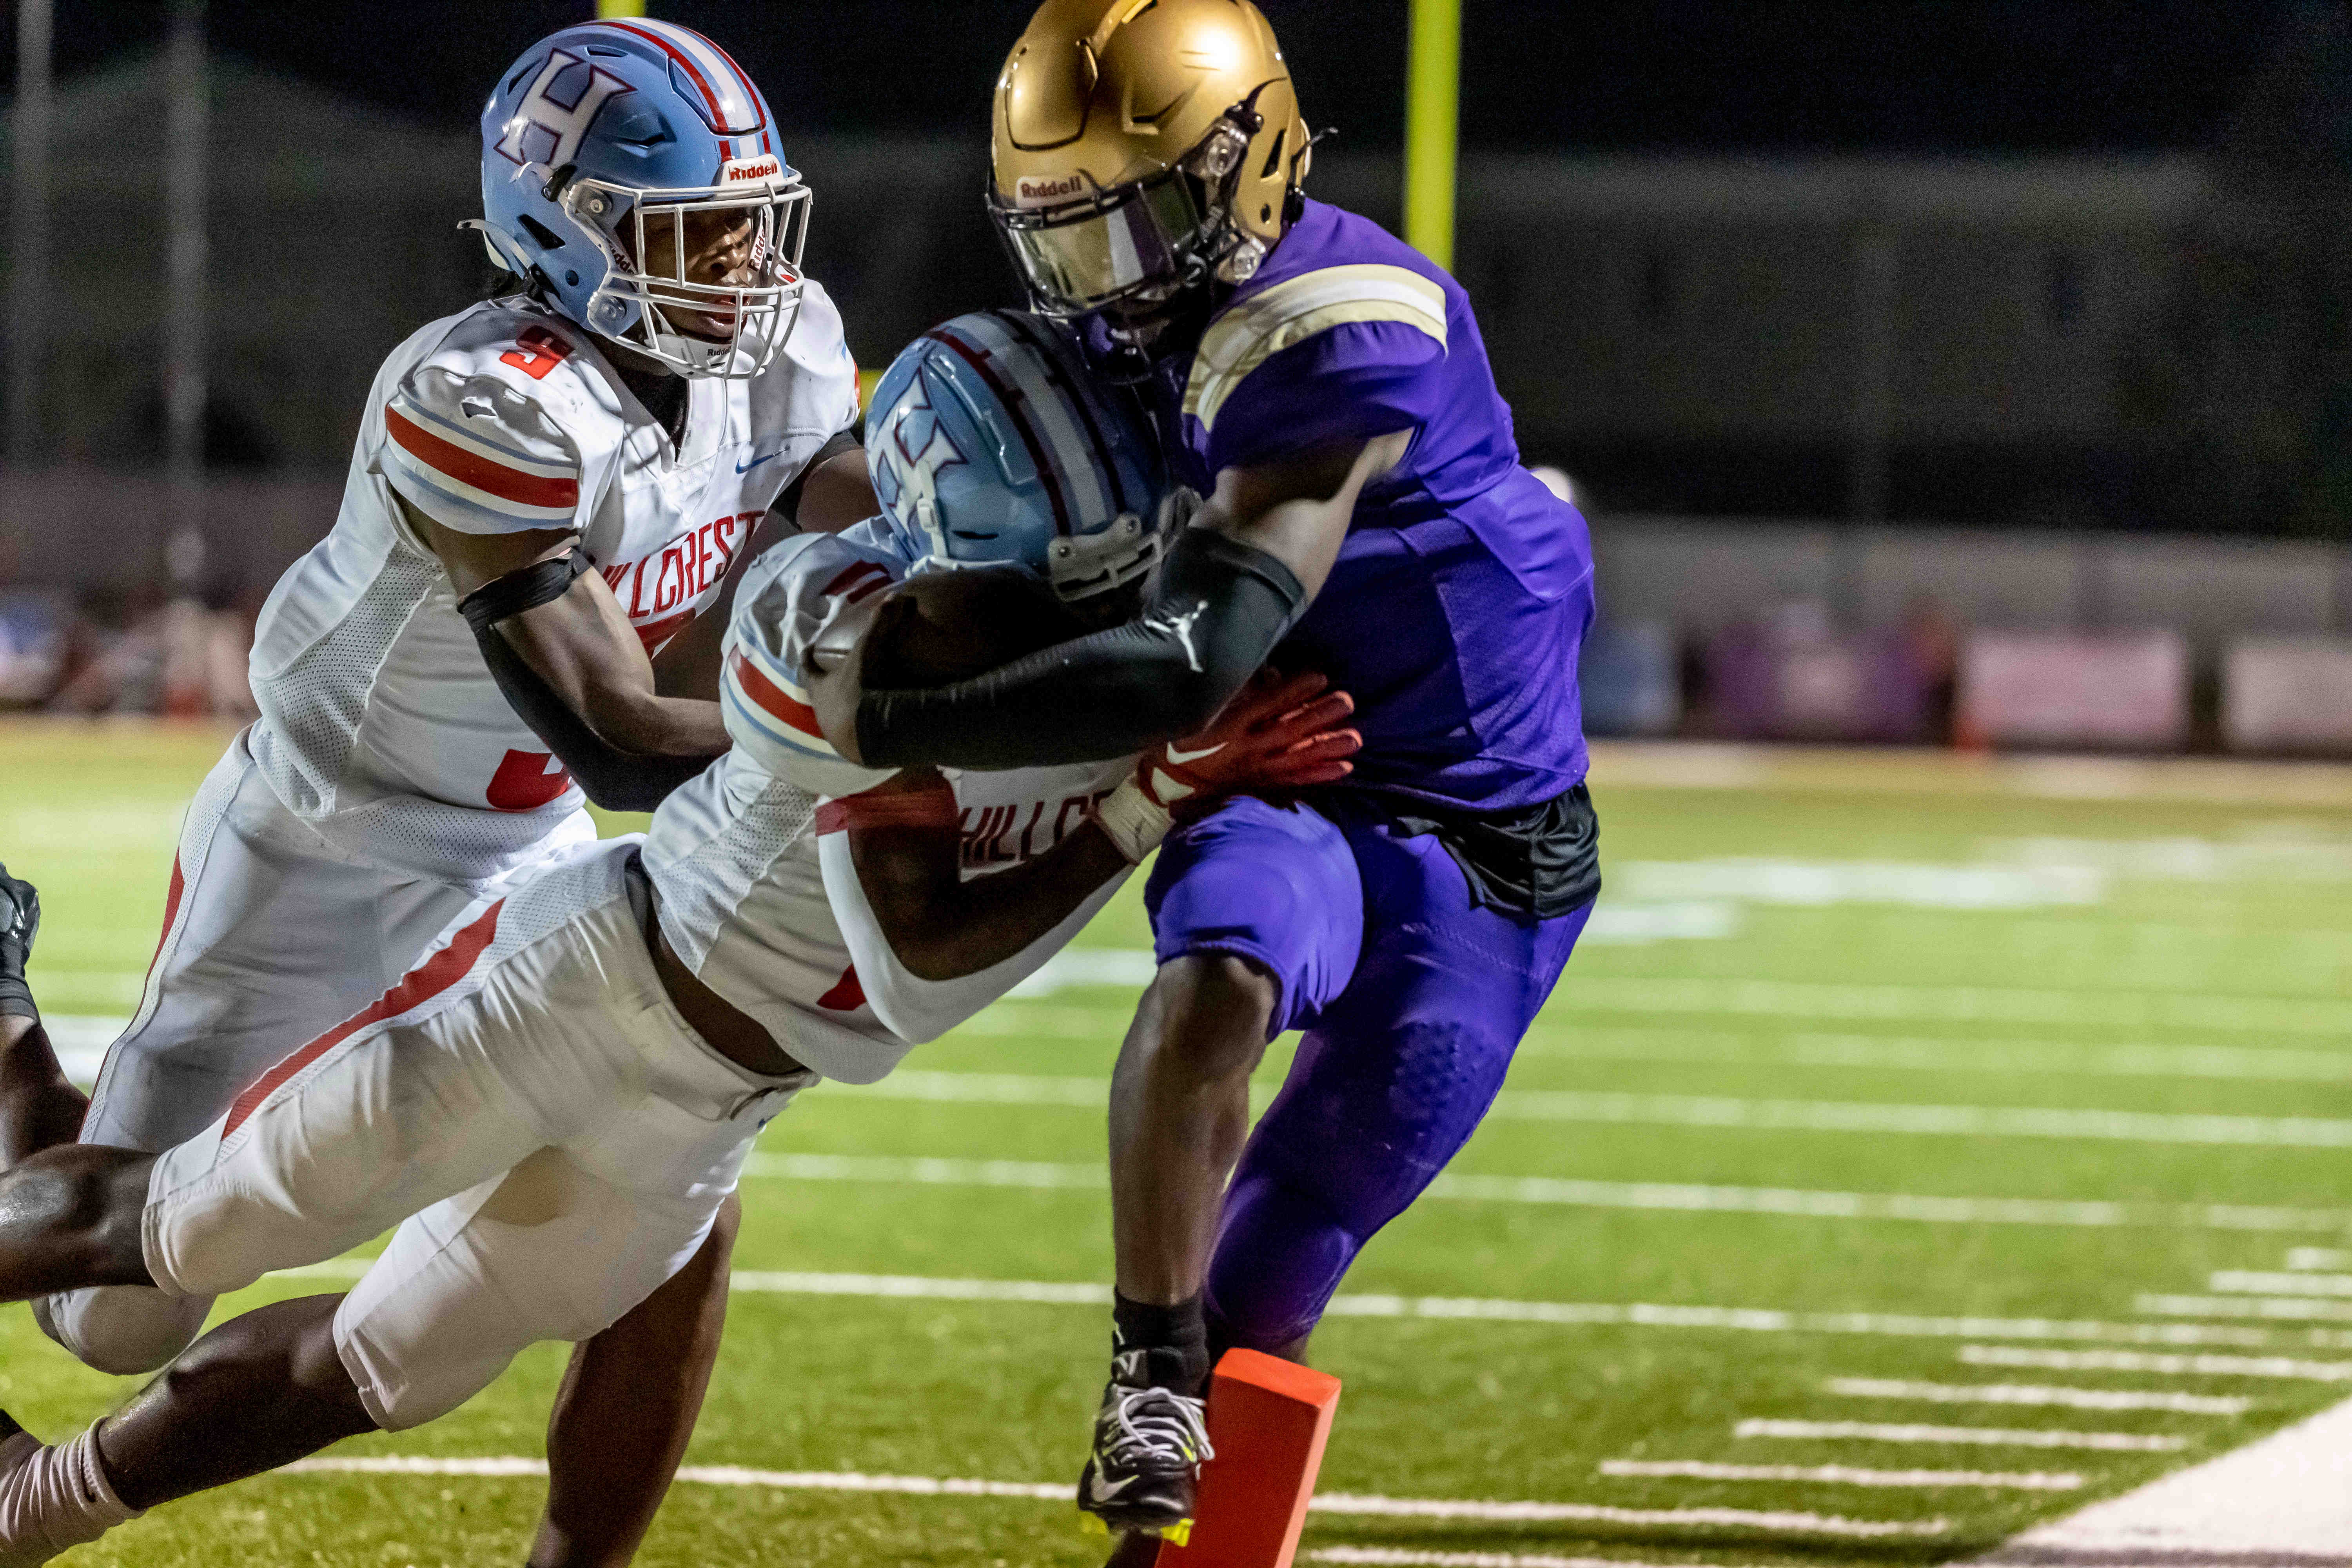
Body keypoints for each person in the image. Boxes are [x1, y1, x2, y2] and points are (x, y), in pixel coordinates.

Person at [0, 319, 1360, 1563]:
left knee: (384, 1365)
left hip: (712, 1103)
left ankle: (21, 1517)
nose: (1129, 565)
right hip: (566, 996)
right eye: (1091, 528)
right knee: (173, 1234)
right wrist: (1148, 795)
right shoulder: (846, 629)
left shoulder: (1097, 648)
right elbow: (919, 966)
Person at [0, 19, 869, 1564]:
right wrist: (893, 736)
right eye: (699, 228)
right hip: (337, 833)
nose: (745, 262)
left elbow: (868, 550)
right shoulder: (480, 397)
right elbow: (610, 723)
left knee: (667, 1188)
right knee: (114, 1314)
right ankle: (6, 1022)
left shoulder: (783, 338)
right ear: (563, 231)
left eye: (753, 220)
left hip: (528, 837)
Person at [804, 0, 1604, 1545]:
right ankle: (1146, 1374)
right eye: (1060, 243)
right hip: (1287, 774)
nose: (1096, 292)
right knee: (1221, 978)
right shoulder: (1155, 316)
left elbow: (1196, 652)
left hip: (1486, 845)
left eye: (1128, 233)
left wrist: (892, 715)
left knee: (1284, 1263)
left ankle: (1194, 1408)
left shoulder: (1337, 325)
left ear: (1253, 168)